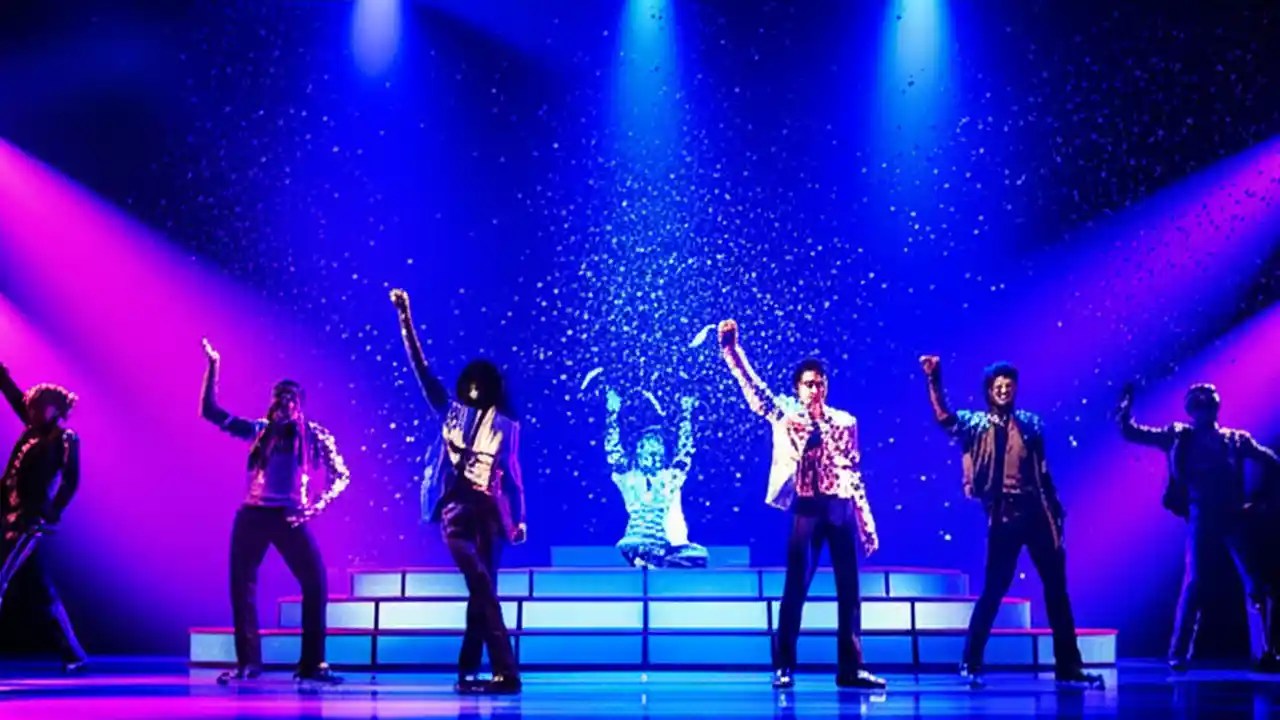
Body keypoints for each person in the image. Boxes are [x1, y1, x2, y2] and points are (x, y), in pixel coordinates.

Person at [717, 319, 884, 690]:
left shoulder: (845, 421)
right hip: (807, 508)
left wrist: (866, 521)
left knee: (850, 591)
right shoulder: (787, 417)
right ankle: (784, 666)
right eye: (809, 383)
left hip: (839, 507)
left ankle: (852, 668)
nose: (816, 389)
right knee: (796, 587)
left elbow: (853, 471)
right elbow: (756, 391)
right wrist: (731, 351)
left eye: (820, 382)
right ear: (798, 388)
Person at [919, 355, 1102, 689]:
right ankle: (970, 661)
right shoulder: (976, 424)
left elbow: (1043, 472)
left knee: (1057, 589)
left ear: (1015, 389)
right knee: (994, 588)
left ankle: (1069, 666)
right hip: (1004, 514)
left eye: (1009, 385)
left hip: (1037, 512)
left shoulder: (1030, 424)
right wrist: (934, 378)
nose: (1004, 390)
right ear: (989, 390)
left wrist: (1055, 514)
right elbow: (944, 417)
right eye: (998, 385)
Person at [392, 289, 526, 695]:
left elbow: (513, 474)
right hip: (456, 510)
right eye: (471, 383)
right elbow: (421, 368)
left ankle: (468, 669)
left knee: (482, 590)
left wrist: (519, 518)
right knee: (481, 585)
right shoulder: (450, 410)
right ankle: (506, 673)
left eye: (482, 384)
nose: (475, 388)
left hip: (490, 512)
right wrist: (405, 317)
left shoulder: (506, 425)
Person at [200, 339, 349, 686]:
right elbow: (210, 411)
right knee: (242, 586)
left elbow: (342, 476)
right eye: (278, 397)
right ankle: (248, 664)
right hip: (252, 516)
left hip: (289, 517)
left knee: (315, 582)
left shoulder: (315, 436)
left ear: (300, 405)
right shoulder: (258, 431)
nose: (283, 402)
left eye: (290, 398)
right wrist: (213, 365)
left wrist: (315, 507)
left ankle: (312, 664)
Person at [1117, 382, 1280, 672]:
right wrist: (1125, 413)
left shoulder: (1236, 439)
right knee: (1196, 583)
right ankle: (1179, 652)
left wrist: (1260, 499)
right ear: (1191, 409)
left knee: (1255, 584)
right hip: (1202, 514)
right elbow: (1134, 433)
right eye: (1199, 402)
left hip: (1232, 515)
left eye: (1208, 402)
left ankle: (1265, 652)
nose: (1205, 406)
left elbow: (1272, 462)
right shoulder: (1180, 435)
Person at [0, 362, 87, 672]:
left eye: (39, 406)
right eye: (32, 407)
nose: (32, 410)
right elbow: (16, 398)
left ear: (54, 409)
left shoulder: (63, 438)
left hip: (30, 521)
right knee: (40, 588)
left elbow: (71, 479)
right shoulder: (32, 430)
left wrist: (53, 510)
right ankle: (74, 653)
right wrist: (3, 377)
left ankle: (74, 653)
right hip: (10, 517)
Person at [604, 388, 708, 568]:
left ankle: (650, 563)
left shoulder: (668, 478)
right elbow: (613, 450)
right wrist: (612, 413)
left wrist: (686, 414)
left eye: (655, 450)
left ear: (662, 454)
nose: (651, 456)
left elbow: (685, 452)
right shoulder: (629, 477)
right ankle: (646, 562)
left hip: (658, 544)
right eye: (646, 449)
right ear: (638, 453)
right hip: (634, 542)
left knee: (699, 555)